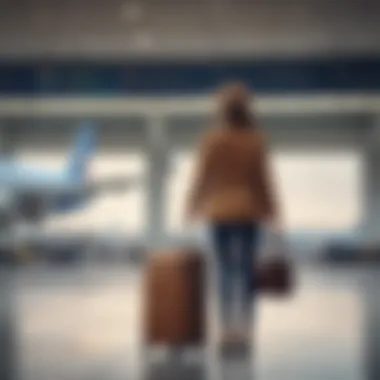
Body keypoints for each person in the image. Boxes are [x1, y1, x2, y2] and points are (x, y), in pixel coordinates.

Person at [185, 82, 280, 349]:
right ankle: (247, 330)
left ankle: (227, 330)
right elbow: (264, 180)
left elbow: (201, 177)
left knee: (225, 271)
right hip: (250, 211)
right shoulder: (256, 140)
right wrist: (273, 212)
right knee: (248, 271)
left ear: (222, 111)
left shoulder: (212, 139)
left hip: (220, 212)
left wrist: (192, 206)